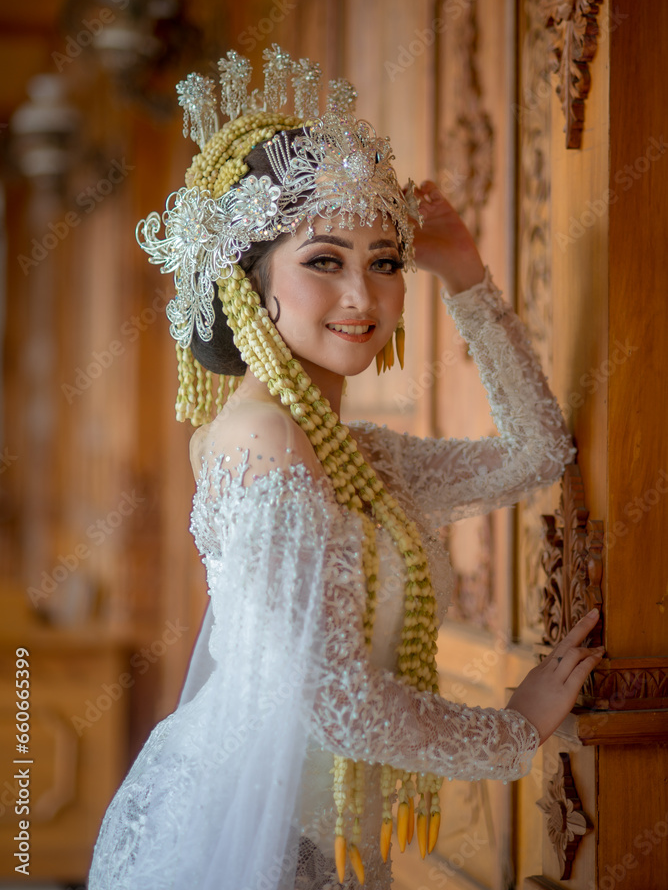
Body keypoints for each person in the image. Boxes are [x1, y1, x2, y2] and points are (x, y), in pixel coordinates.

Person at [88, 47, 604, 890]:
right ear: (254, 283)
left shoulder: (348, 458)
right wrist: (515, 728)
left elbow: (535, 454)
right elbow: (336, 704)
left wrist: (466, 277)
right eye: (324, 260)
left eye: (386, 261)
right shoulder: (263, 439)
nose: (363, 296)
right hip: (239, 837)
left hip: (310, 839)